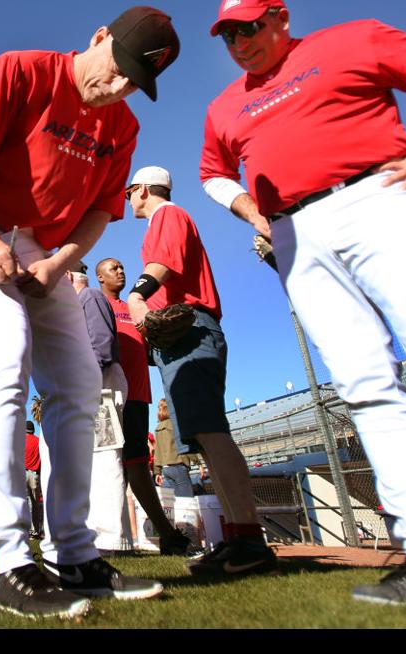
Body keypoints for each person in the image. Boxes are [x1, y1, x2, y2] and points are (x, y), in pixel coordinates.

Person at [199, 0, 406, 604]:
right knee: (363, 383)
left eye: (249, 26)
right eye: (227, 34)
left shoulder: (353, 39)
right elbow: (213, 172)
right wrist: (254, 213)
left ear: (280, 17)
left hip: (378, 193)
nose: (239, 41)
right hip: (294, 231)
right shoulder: (225, 104)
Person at [0, 7, 178, 617]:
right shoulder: (21, 71)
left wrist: (57, 262)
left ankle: (75, 553)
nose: (118, 87)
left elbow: (99, 211)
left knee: (78, 382)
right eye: (117, 69)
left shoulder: (121, 125)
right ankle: (1, 560)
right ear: (99, 39)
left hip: (44, 247)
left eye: (134, 84)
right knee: (5, 355)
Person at [126, 164, 274, 576]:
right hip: (181, 339)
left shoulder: (167, 215)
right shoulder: (164, 218)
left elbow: (164, 263)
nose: (128, 199)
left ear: (141, 189)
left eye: (128, 192)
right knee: (205, 438)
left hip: (192, 329)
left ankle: (249, 541)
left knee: (211, 431)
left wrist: (138, 297)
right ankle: (239, 539)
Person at [95, 256, 196, 555]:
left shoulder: (135, 309)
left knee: (137, 463)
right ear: (100, 277)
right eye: (114, 268)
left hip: (139, 396)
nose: (121, 271)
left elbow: (148, 350)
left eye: (122, 267)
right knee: (107, 464)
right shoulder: (96, 305)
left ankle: (164, 536)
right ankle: (109, 538)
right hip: (107, 396)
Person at [68, 261, 132, 555]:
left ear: (68, 275)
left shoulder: (89, 296)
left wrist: (80, 379)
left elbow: (102, 346)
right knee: (94, 460)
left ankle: (109, 538)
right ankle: (100, 533)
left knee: (106, 457)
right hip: (95, 380)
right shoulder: (82, 300)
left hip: (101, 381)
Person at [151, 399, 198, 499]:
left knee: (175, 502)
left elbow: (157, 452)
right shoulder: (176, 425)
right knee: (187, 499)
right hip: (179, 466)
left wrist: (157, 472)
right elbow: (185, 445)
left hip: (166, 470)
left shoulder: (158, 428)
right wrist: (198, 463)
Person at [23, 420, 43, 540]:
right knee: (34, 504)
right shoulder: (39, 441)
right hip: (34, 475)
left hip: (21, 473)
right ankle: (35, 531)